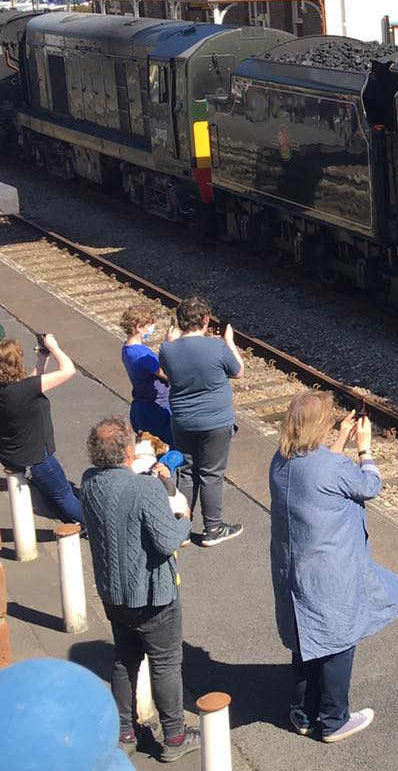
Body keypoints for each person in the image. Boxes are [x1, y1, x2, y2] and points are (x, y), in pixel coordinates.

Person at [270, 392, 398, 743]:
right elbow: (370, 486)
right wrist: (364, 449)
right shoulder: (334, 468)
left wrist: (341, 437)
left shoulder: (281, 459)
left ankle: (303, 714)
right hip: (330, 570)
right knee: (338, 639)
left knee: (304, 637)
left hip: (293, 569)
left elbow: (320, 473)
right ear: (319, 427)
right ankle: (333, 721)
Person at [81, 416, 199, 762]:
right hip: (152, 595)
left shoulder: (89, 481)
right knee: (165, 663)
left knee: (125, 660)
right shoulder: (143, 488)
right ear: (129, 452)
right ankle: (174, 737)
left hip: (113, 594)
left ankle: (125, 732)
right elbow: (167, 541)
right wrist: (185, 520)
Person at [159, 297, 243, 545]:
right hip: (216, 422)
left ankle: (181, 528)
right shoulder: (217, 347)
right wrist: (229, 341)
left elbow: (168, 372)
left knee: (186, 472)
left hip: (183, 420)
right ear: (206, 320)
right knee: (211, 474)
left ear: (179, 322)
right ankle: (213, 528)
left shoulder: (167, 349)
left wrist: (168, 340)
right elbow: (238, 371)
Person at [0, 332, 84, 526]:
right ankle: (95, 526)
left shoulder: (13, 389)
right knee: (64, 496)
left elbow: (31, 383)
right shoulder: (24, 389)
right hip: (36, 456)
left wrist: (42, 359)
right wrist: (54, 348)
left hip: (13, 453)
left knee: (51, 494)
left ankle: (69, 520)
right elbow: (68, 370)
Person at [120, 305, 172, 445]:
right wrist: (169, 345)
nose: (151, 328)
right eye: (149, 325)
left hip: (141, 404)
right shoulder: (141, 354)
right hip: (157, 406)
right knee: (167, 445)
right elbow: (168, 375)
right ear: (139, 327)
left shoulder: (126, 349)